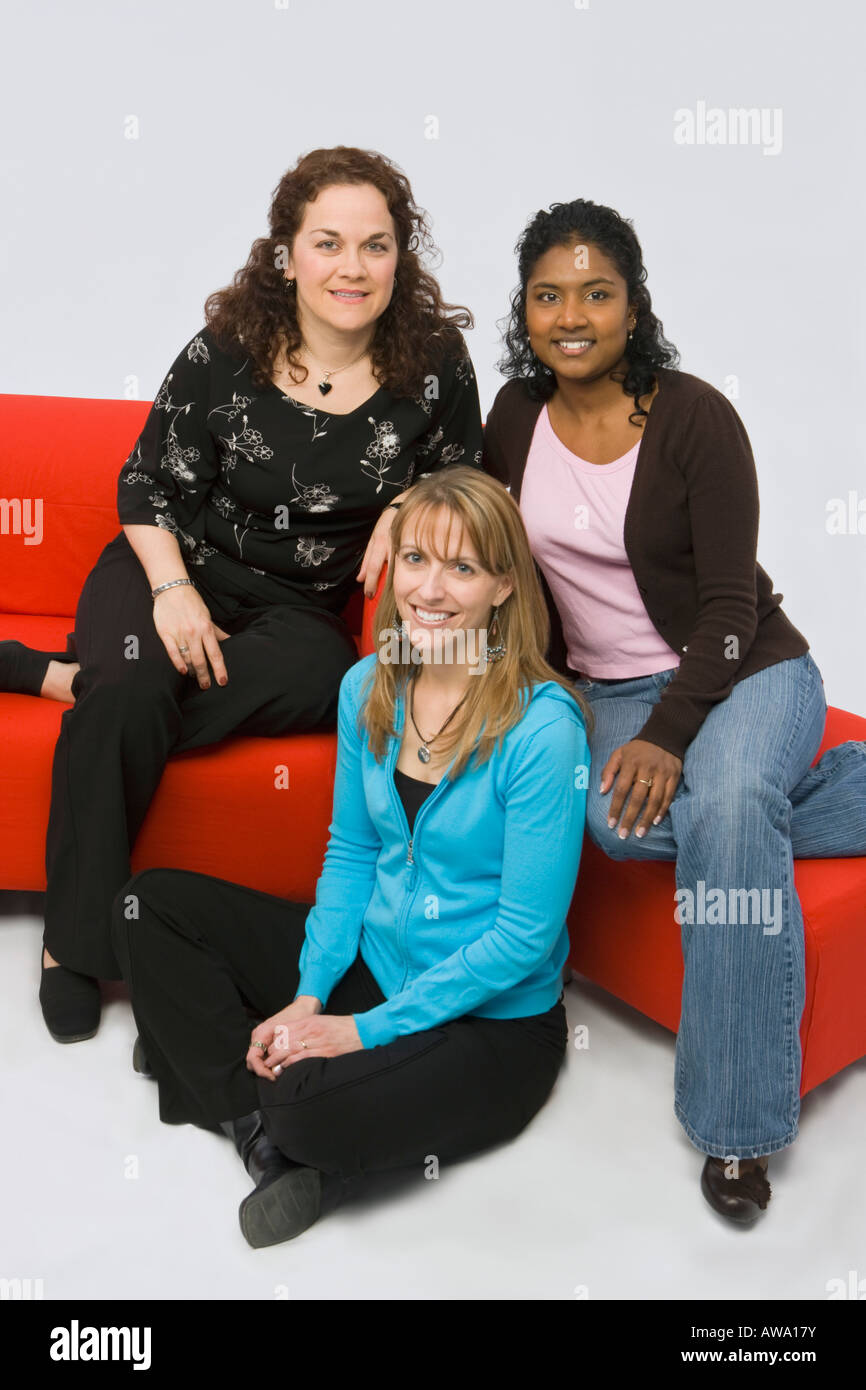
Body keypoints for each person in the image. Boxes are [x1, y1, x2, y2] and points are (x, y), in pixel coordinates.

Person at [0, 146, 484, 1044]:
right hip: (167, 564)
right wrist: (176, 590)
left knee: (305, 677)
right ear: (287, 254)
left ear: (399, 256)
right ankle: (74, 947)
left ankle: (88, 688)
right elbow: (144, 486)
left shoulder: (434, 363)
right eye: (328, 243)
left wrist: (413, 504)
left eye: (375, 246)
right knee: (139, 676)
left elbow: (466, 478)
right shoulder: (229, 348)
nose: (351, 267)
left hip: (297, 612)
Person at [482, 197, 866, 1224]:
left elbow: (732, 604)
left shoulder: (693, 416)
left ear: (632, 304)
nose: (571, 314)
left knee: (732, 804)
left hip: (738, 669)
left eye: (595, 293)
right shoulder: (513, 419)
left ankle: (735, 1130)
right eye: (548, 294)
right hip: (607, 689)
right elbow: (503, 565)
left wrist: (666, 735)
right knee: (613, 818)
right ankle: (838, 793)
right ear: (523, 309)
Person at [109, 467, 589, 1248]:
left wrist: (362, 1034)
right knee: (150, 906)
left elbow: (523, 940)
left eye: (462, 568)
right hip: (374, 959)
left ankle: (225, 1075)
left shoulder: (545, 730)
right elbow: (351, 853)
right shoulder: (368, 684)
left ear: (504, 585)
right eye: (416, 561)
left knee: (304, 1102)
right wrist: (307, 999)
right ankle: (262, 1139)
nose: (430, 590)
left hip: (489, 1022)